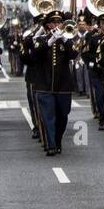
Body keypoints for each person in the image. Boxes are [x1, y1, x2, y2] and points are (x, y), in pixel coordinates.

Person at [28, 11, 77, 157]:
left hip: (63, 86)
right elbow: (34, 54)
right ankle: (51, 144)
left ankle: (57, 140)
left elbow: (73, 55)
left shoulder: (67, 40)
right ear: (49, 24)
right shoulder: (40, 39)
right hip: (44, 85)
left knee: (63, 116)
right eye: (54, 22)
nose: (57, 25)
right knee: (48, 117)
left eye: (59, 22)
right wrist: (49, 41)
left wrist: (63, 39)